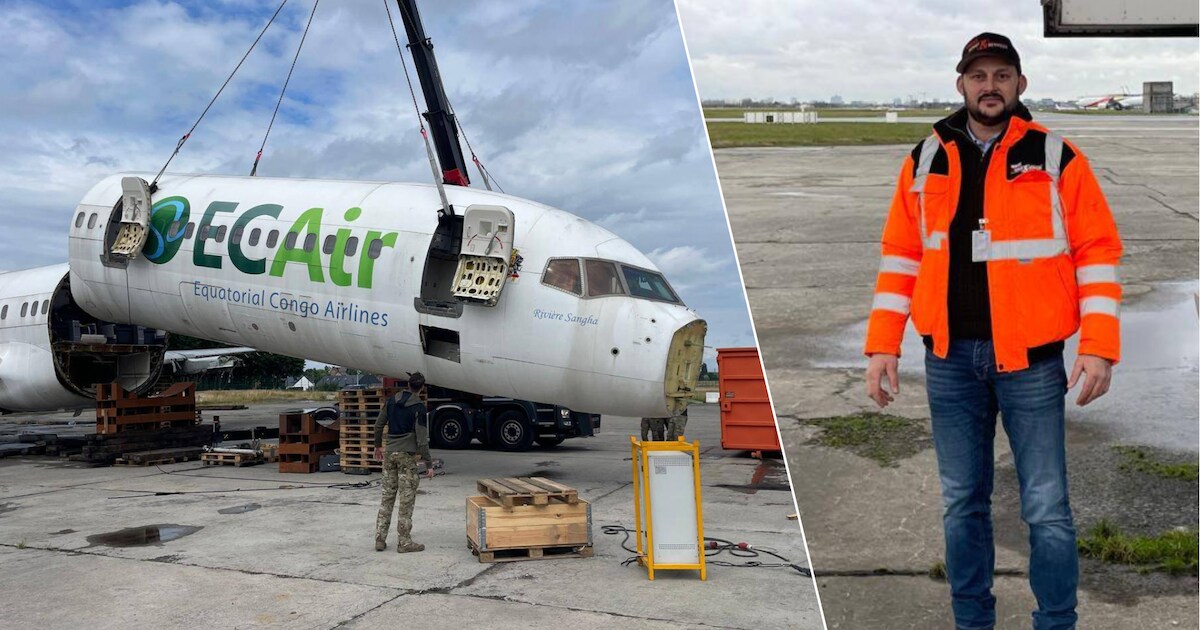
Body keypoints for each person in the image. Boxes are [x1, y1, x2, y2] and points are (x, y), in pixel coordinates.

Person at [863, 33, 1122, 630]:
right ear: (961, 84)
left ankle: (1056, 622)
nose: (990, 86)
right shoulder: (926, 158)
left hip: (1032, 362)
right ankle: (972, 622)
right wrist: (882, 345)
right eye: (978, 75)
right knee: (962, 505)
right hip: (949, 360)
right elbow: (901, 256)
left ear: (1019, 85)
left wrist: (1099, 346)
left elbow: (1097, 253)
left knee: (1047, 509)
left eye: (1002, 75)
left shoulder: (1055, 156)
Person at [372, 372, 436, 553]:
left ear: (408, 384)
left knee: (387, 498)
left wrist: (378, 446)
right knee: (406, 501)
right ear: (421, 387)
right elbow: (422, 440)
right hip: (406, 456)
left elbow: (378, 425)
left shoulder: (391, 401)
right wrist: (429, 464)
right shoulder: (418, 407)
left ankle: (380, 539)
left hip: (390, 454)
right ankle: (404, 542)